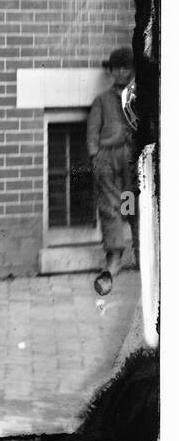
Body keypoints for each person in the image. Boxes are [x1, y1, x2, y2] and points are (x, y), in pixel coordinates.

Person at [88, 46, 139, 296]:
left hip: (129, 158)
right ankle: (115, 256)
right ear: (111, 71)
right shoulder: (102, 100)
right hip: (107, 159)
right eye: (117, 68)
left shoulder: (137, 97)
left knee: (129, 203)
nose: (121, 72)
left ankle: (137, 253)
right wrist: (95, 154)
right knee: (110, 206)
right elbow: (92, 133)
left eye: (126, 67)